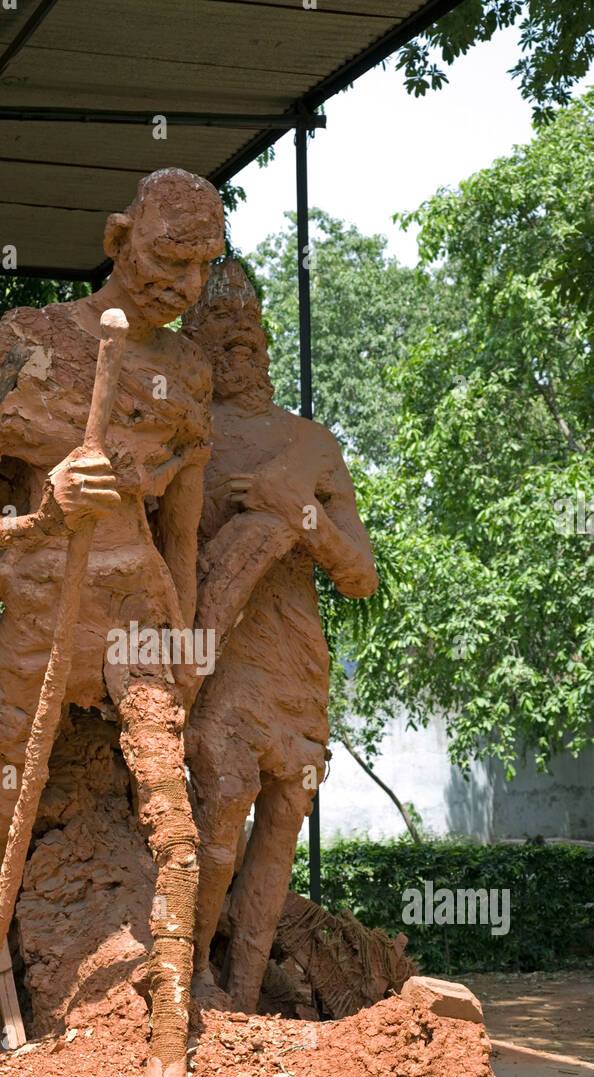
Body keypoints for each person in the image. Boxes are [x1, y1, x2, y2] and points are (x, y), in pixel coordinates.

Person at [0, 169, 230, 1077]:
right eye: (170, 256)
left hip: (140, 622)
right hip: (42, 612)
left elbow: (183, 532)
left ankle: (172, 1044)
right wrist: (32, 521)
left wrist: (186, 642)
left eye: (204, 267)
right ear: (118, 236)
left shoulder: (193, 373)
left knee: (177, 825)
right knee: (0, 812)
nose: (184, 284)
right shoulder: (23, 347)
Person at [181, 259, 379, 1012]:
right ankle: (195, 976)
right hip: (219, 657)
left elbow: (359, 574)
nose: (246, 358)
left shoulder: (311, 445)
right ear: (194, 349)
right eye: (225, 346)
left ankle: (242, 988)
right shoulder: (184, 434)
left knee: (283, 820)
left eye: (255, 343)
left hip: (297, 664)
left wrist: (298, 513)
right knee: (222, 799)